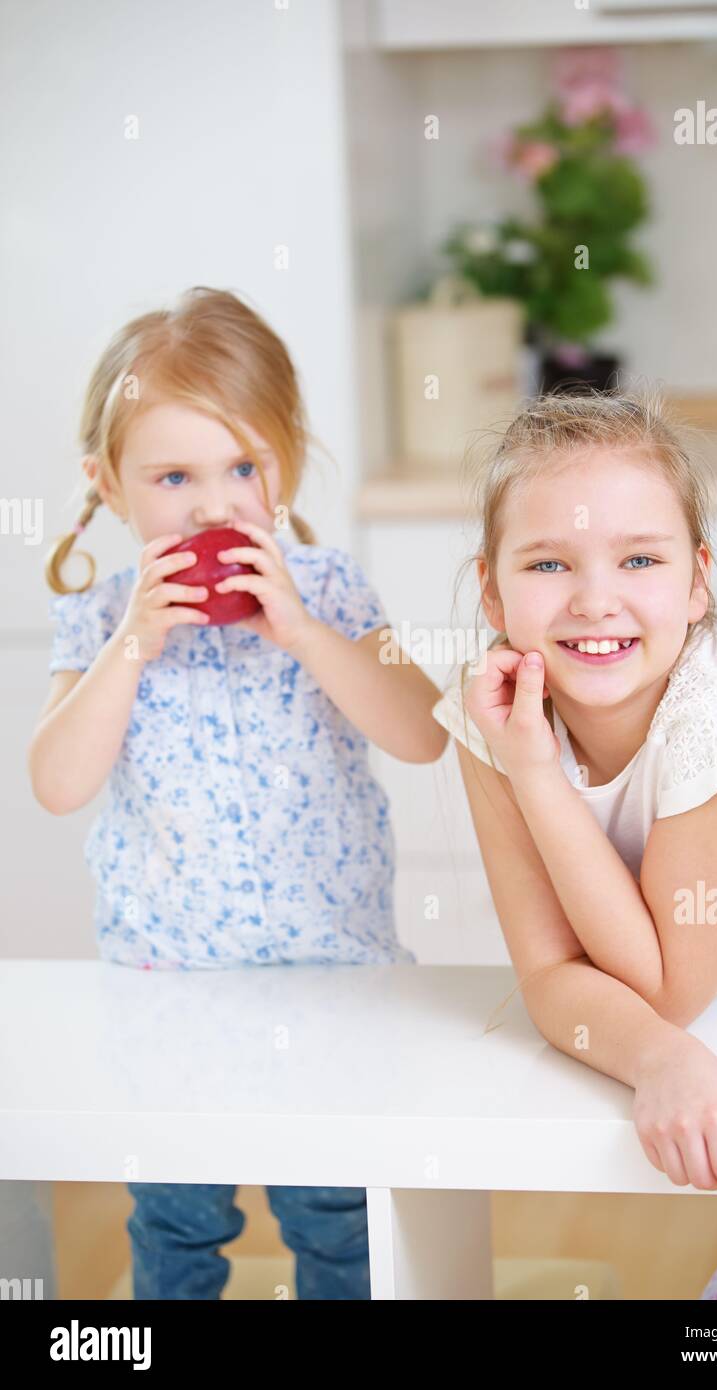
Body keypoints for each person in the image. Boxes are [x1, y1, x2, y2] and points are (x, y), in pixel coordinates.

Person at [28, 286, 448, 1300]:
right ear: (109, 484)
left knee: (337, 1218)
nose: (214, 506)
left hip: (334, 976)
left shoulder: (333, 588)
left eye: (242, 468)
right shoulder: (97, 624)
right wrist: (132, 645)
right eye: (174, 475)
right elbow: (56, 782)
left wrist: (304, 632)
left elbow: (424, 731)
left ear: (283, 466)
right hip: (165, 986)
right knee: (176, 1221)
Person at [432, 387, 717, 1300]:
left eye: (639, 557)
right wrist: (662, 1055)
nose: (597, 601)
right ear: (490, 588)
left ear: (697, 579)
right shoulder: (493, 715)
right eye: (549, 563)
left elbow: (662, 992)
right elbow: (552, 977)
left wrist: (538, 778)